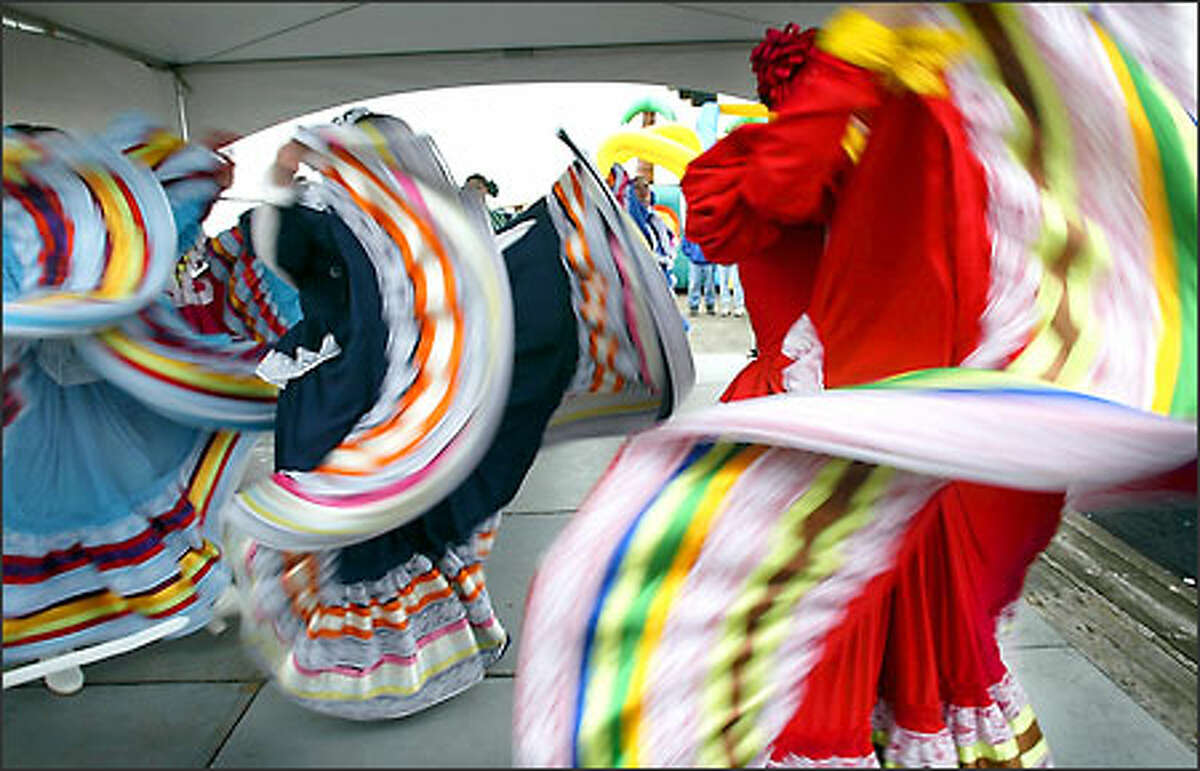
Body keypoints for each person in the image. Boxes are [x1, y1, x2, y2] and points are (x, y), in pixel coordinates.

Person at [511, 4, 1196, 767]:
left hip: (875, 424)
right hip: (830, 423)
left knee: (841, 625)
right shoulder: (777, 160)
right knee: (830, 631)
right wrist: (855, 73)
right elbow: (773, 197)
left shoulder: (911, 153)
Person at [221, 110, 693, 720]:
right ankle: (406, 666)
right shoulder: (335, 216)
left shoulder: (417, 229)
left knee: (399, 522)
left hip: (377, 397)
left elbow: (476, 288)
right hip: (344, 394)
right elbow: (286, 252)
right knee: (372, 528)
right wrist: (284, 179)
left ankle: (406, 671)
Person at [2, 117, 256, 671]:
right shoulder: (19, 230)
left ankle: (176, 597)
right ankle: (58, 642)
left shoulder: (84, 227)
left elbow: (151, 238)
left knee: (120, 499)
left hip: (90, 395)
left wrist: (197, 174)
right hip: (34, 409)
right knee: (59, 510)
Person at [682, 237, 717, 316]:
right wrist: (691, 254)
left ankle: (710, 305)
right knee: (694, 284)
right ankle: (694, 306)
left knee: (710, 285)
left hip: (709, 261)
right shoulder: (691, 231)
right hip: (695, 262)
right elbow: (684, 245)